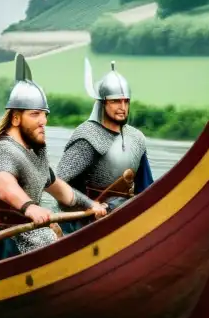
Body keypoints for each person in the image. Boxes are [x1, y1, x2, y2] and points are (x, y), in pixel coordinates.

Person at [0, 54, 107, 267]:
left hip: (33, 241)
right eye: (35, 114)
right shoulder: (2, 148)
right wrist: (30, 208)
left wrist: (92, 205)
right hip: (4, 245)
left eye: (44, 115)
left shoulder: (35, 154)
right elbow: (5, 187)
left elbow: (62, 191)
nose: (43, 121)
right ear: (16, 118)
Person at [54, 58, 154, 235]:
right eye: (116, 101)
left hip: (123, 217)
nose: (122, 107)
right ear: (103, 103)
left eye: (126, 101)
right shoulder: (87, 136)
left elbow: (145, 189)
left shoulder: (136, 139)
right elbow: (58, 183)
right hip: (84, 224)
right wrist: (89, 206)